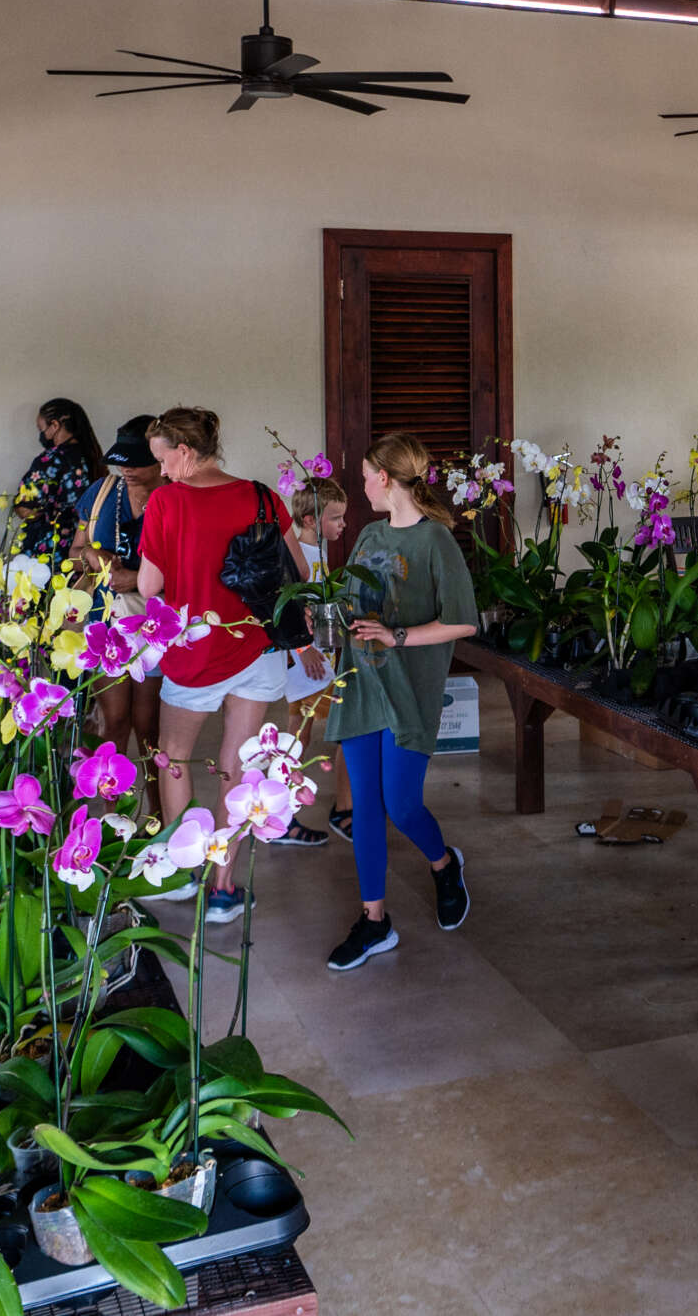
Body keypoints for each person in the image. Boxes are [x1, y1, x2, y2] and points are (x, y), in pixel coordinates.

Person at [136, 407, 305, 926]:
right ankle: (224, 889)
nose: (161, 471)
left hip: (196, 650)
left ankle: (184, 872)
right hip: (258, 648)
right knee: (237, 765)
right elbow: (298, 570)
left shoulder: (166, 502)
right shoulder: (262, 496)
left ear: (184, 452)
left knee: (174, 759)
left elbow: (148, 587)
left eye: (163, 459)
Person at [324, 434, 480, 971]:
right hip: (362, 685)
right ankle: (375, 922)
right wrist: (324, 616)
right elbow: (352, 602)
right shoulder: (368, 535)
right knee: (365, 805)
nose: (363, 485)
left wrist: (398, 637)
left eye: (367, 475)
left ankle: (443, 865)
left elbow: (463, 620)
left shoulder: (437, 542)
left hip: (409, 692)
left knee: (401, 803)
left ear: (386, 479)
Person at [269, 475, 354, 849]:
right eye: (335, 518)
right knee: (351, 727)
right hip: (308, 661)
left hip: (313, 659)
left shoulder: (317, 554)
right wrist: (305, 650)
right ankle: (345, 810)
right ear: (308, 520)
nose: (343, 525)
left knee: (296, 735)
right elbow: (288, 608)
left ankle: (281, 816)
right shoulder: (301, 558)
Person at [72, 415, 163, 760]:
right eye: (121, 461)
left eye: (137, 462)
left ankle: (158, 808)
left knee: (150, 727)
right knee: (114, 722)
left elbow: (194, 566)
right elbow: (75, 553)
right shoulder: (102, 492)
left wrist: (138, 579)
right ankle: (112, 810)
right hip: (105, 621)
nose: (127, 469)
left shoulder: (176, 498)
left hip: (156, 624)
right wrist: (96, 555)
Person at [16, 398, 106, 561]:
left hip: (50, 548)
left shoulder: (49, 461)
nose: (42, 434)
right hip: (84, 547)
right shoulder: (92, 458)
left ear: (55, 425)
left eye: (41, 428)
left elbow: (26, 509)